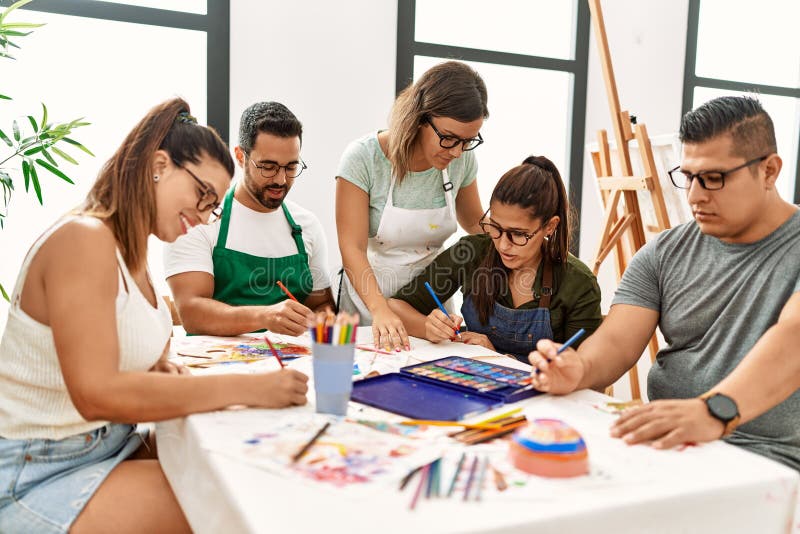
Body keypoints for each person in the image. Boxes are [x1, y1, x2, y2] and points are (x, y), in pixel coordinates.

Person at [0, 99, 309, 533]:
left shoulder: (134, 256)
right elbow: (96, 393)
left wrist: (155, 364)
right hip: (40, 468)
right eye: (203, 195)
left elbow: (110, 352)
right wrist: (251, 388)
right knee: (228, 504)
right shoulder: (83, 239)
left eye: (213, 206)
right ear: (159, 165)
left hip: (109, 444)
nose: (204, 216)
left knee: (250, 468)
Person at [529, 96, 800, 472]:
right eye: (688, 177)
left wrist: (715, 411)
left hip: (763, 459)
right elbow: (616, 342)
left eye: (714, 178)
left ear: (769, 171)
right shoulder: (665, 252)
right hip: (665, 441)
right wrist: (579, 369)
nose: (694, 196)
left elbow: (794, 338)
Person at [336, 60, 488, 352]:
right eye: (448, 138)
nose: (457, 152)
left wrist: (521, 235)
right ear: (420, 118)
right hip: (371, 307)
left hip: (429, 308)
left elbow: (475, 223)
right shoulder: (363, 159)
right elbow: (351, 249)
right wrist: (381, 311)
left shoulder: (462, 160)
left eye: (468, 142)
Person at [388, 156, 602, 362]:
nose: (502, 245)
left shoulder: (578, 283)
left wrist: (498, 358)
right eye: (496, 228)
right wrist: (427, 326)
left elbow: (584, 371)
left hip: (540, 395)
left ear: (549, 226)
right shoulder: (471, 252)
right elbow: (396, 306)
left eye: (518, 234)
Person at [165, 102, 334, 336]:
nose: (281, 180)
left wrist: (323, 318)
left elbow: (321, 304)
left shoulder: (306, 225)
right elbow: (192, 313)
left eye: (291, 167)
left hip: (293, 361)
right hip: (218, 364)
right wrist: (264, 316)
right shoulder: (199, 220)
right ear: (240, 157)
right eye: (268, 167)